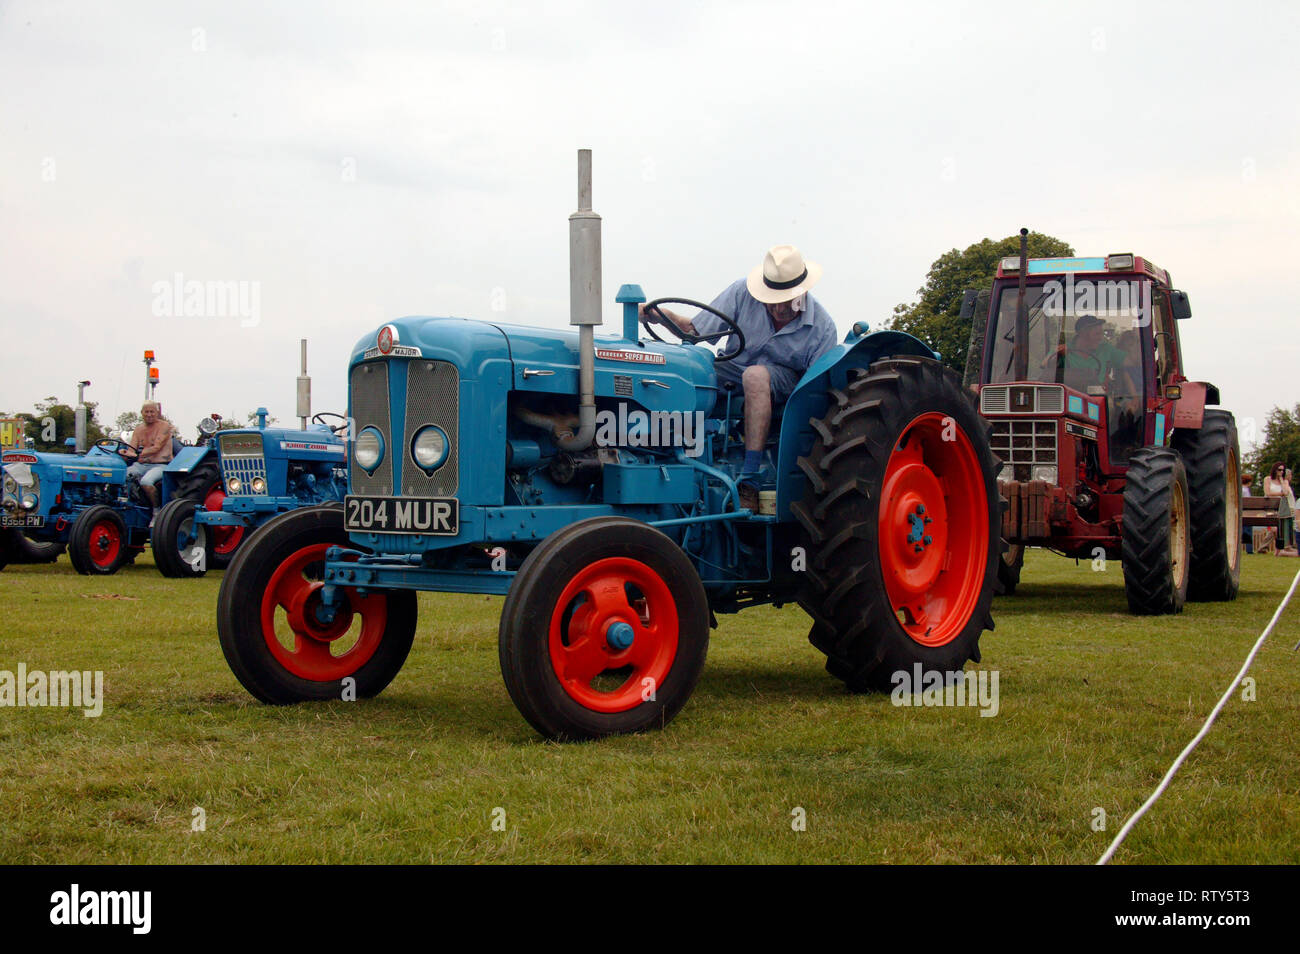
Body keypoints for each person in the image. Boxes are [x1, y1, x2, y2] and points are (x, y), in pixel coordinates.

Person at [641, 245, 839, 497]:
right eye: (771, 302)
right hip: (733, 367)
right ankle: (663, 452)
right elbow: (696, 331)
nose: (778, 309)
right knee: (689, 371)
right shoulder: (741, 292)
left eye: (785, 302)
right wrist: (662, 315)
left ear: (803, 291)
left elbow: (814, 393)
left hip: (785, 382)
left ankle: (750, 477)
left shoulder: (821, 327)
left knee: (755, 376)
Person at [1041, 314, 1125, 389]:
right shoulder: (1065, 349)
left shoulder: (1105, 348)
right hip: (1068, 398)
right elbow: (1044, 364)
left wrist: (1136, 339)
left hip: (1098, 399)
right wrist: (1060, 354)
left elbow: (1131, 361)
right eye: (1097, 334)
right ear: (1083, 333)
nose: (1101, 338)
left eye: (1101, 334)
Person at [125, 401, 176, 510]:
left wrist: (136, 453)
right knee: (121, 476)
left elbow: (156, 447)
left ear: (157, 412)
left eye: (152, 412)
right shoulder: (138, 429)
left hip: (160, 465)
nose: (149, 414)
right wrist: (124, 453)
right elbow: (132, 450)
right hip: (140, 465)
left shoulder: (164, 426)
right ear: (142, 413)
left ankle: (156, 510)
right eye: (146, 412)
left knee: (146, 481)